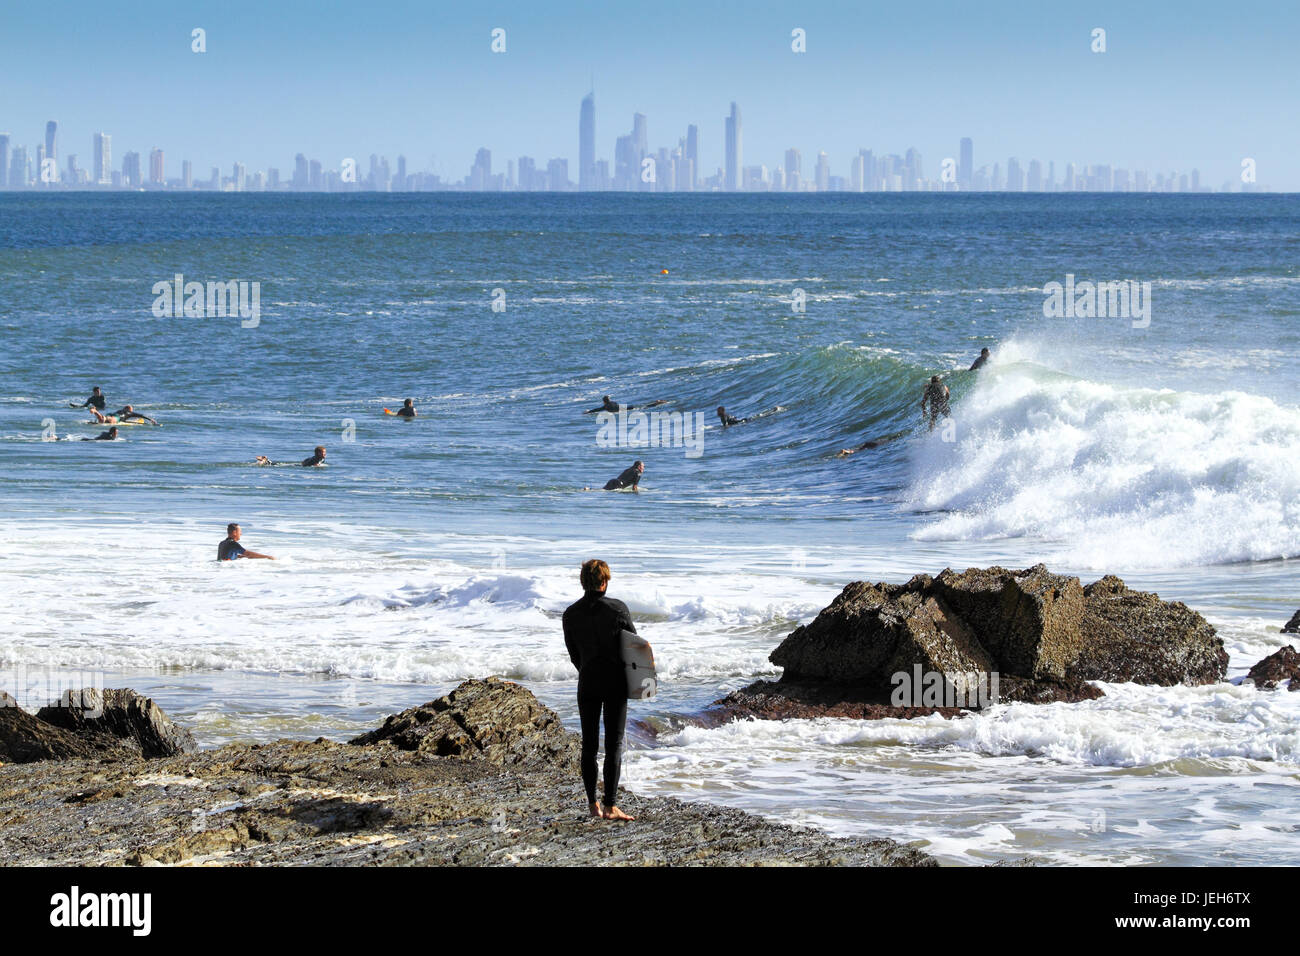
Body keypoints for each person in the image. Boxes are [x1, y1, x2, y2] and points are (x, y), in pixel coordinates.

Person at [562, 559, 635, 822]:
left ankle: (592, 804)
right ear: (604, 581)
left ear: (583, 581)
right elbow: (635, 648)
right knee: (613, 744)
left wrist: (588, 670)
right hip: (615, 684)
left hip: (588, 683)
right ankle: (611, 806)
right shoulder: (618, 609)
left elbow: (574, 654)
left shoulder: (570, 614)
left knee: (589, 745)